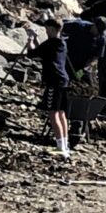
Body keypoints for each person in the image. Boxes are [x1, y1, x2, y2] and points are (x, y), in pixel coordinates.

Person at [25, 18, 71, 158]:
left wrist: (30, 42)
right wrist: (36, 40)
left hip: (54, 81)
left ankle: (60, 146)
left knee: (53, 113)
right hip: (64, 81)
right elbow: (42, 51)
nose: (46, 31)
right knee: (61, 112)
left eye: (47, 29)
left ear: (51, 29)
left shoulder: (51, 43)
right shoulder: (61, 42)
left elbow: (32, 54)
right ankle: (64, 144)